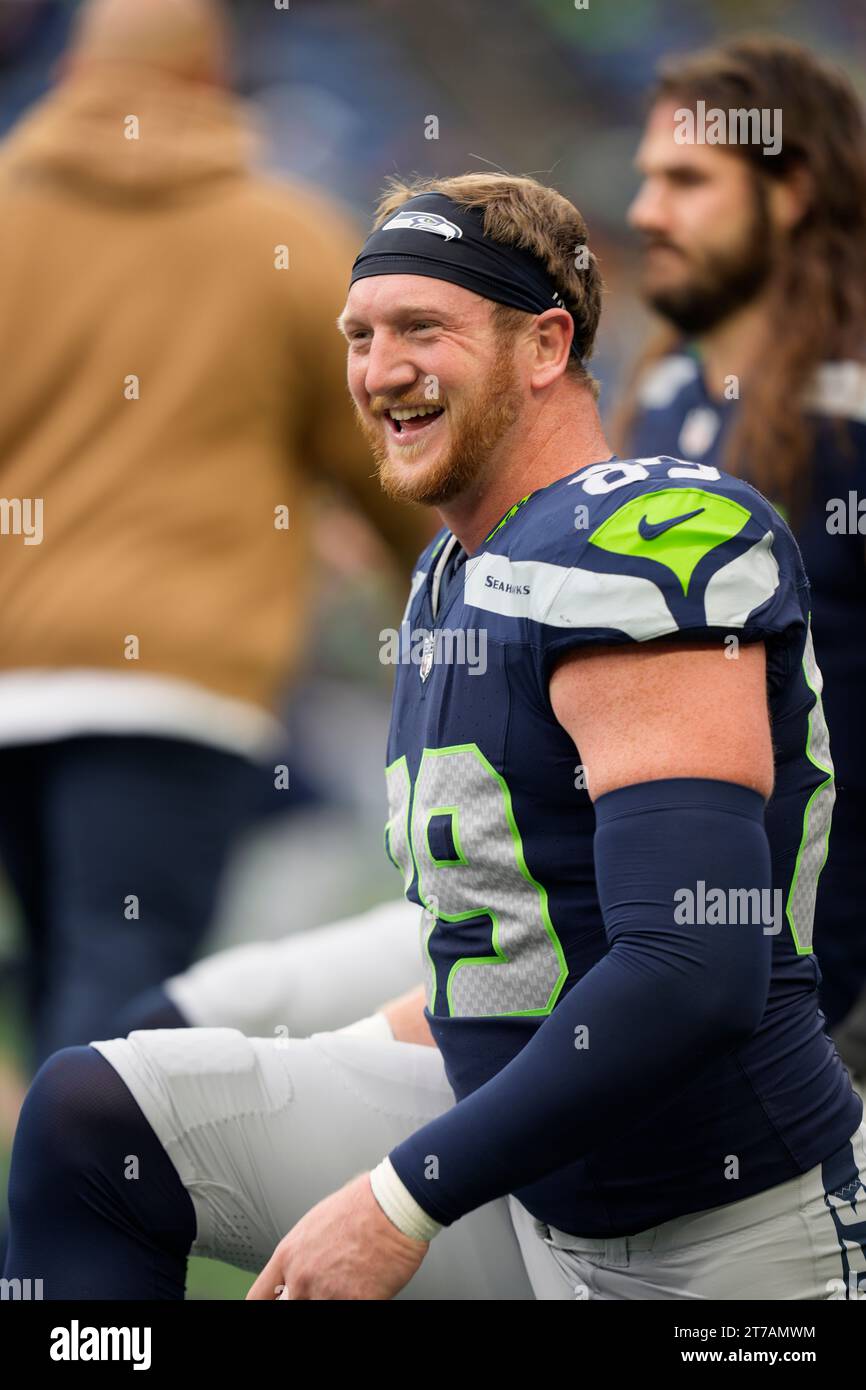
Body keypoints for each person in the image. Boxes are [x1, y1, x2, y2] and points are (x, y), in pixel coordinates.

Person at [5, 172, 864, 1301]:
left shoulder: (640, 543)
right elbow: (512, 951)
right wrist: (346, 1061)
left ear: (545, 345)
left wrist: (397, 1196)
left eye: (421, 328)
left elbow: (690, 969)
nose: (375, 370)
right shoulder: (453, 571)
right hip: (525, 1182)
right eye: (358, 334)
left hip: (715, 1227)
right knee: (96, 1117)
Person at [0, 0, 422, 1070]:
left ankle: (43, 1226)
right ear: (212, 72)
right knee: (120, 983)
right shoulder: (281, 236)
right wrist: (463, 596)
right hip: (178, 679)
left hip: (13, 668)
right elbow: (386, 456)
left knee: (60, 974)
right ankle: (69, 1228)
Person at [618, 35, 866, 1045]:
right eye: (644, 180)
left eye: (684, 181)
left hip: (809, 1006)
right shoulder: (658, 401)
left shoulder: (847, 420)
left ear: (790, 187)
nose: (643, 213)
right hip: (643, 957)